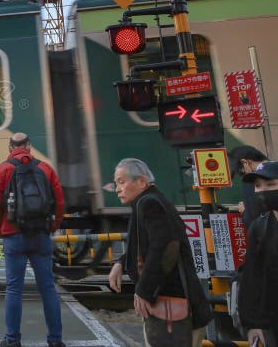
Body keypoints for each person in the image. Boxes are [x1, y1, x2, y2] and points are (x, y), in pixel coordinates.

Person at [108, 158, 213, 347]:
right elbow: (146, 245)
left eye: (122, 182)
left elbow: (167, 247)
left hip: (173, 307)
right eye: (116, 183)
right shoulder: (148, 201)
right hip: (171, 306)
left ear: (141, 182)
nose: (117, 189)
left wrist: (144, 291)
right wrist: (121, 263)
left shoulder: (149, 204)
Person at [0, 132, 65, 347]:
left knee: (13, 289)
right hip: (40, 236)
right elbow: (59, 203)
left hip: (13, 236)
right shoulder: (45, 169)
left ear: (10, 148)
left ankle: (12, 340)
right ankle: (55, 340)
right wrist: (52, 227)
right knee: (48, 288)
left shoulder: (1, 170)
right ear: (28, 146)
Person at [238, 160, 278, 347]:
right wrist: (253, 323)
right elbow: (253, 277)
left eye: (270, 184)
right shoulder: (260, 226)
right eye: (257, 186)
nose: (262, 191)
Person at [227, 145, 268, 228]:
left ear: (245, 163)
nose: (243, 177)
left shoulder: (251, 181)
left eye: (242, 173)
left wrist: (245, 211)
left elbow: (250, 221)